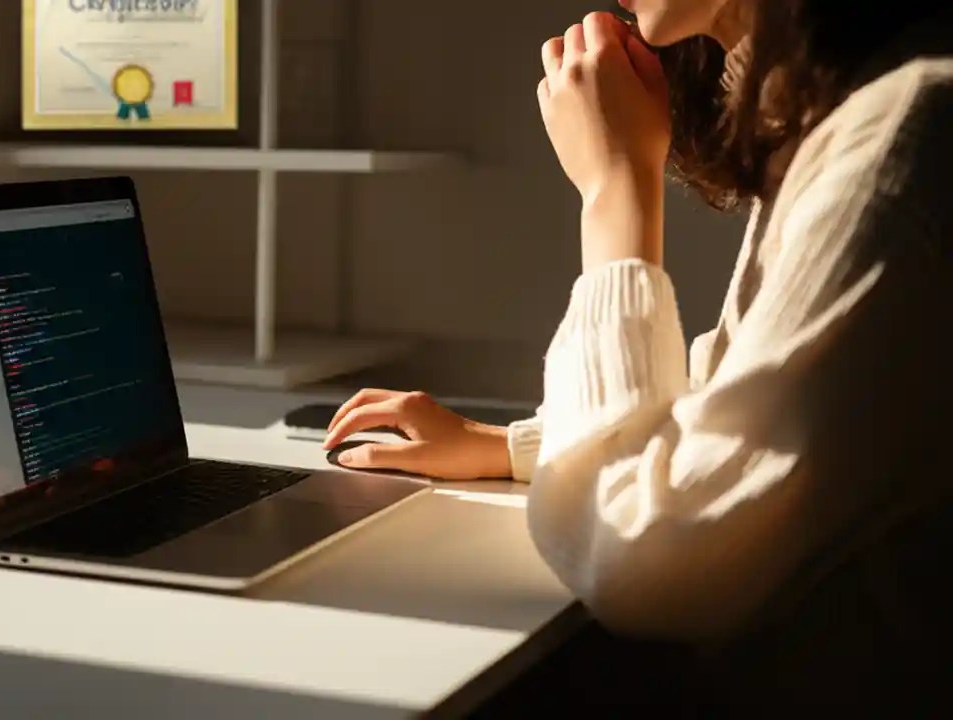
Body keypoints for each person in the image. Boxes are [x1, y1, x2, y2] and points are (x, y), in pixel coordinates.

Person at [325, 0, 952, 707]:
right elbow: (738, 403)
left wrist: (615, 188)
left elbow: (646, 564)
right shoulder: (854, 114)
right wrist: (514, 449)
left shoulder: (903, 144)